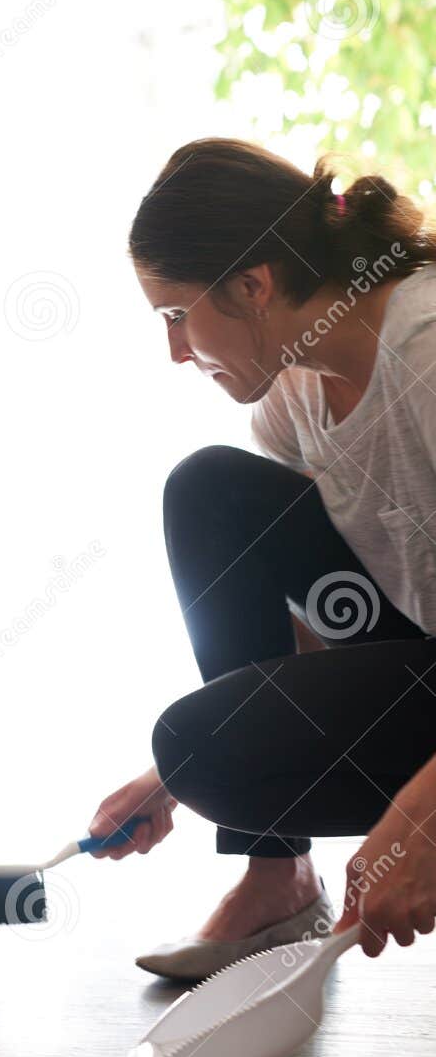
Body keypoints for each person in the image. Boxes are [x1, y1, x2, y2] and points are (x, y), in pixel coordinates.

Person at [90, 138, 436, 978]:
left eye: (176, 314)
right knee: (210, 490)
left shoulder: (423, 352)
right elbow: (310, 621)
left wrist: (422, 823)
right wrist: (179, 774)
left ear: (253, 286)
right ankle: (275, 875)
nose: (174, 350)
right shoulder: (292, 396)